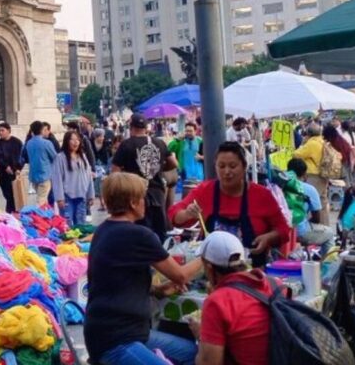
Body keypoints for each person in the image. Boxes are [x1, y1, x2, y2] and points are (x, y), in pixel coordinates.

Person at [85, 172, 202, 365]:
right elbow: (181, 275)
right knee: (195, 353)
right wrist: (207, 255)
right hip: (116, 339)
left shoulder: (103, 230)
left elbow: (115, 281)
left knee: (191, 352)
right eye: (142, 198)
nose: (145, 203)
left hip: (111, 331)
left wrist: (158, 290)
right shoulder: (139, 235)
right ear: (132, 202)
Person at [169, 142, 290, 267]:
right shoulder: (205, 191)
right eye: (221, 166)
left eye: (232, 166)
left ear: (244, 167)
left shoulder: (262, 195)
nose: (226, 171)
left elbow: (283, 230)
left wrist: (268, 238)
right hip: (213, 272)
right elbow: (173, 215)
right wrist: (187, 214)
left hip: (253, 270)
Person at [192, 231, 276, 365]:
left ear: (209, 267)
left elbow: (209, 363)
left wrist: (200, 335)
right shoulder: (273, 284)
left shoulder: (217, 302)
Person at [111, 113, 177, 241]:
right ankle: (159, 257)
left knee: (140, 232)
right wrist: (159, 169)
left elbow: (115, 173)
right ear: (146, 127)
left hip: (135, 194)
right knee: (159, 230)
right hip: (157, 192)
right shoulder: (159, 142)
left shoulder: (126, 145)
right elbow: (174, 163)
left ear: (131, 127)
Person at [287, 158, 334, 258]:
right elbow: (317, 219)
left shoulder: (279, 186)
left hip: (283, 231)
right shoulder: (310, 189)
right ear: (304, 174)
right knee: (329, 234)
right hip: (301, 232)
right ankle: (327, 266)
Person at [51, 131, 94, 226]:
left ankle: (79, 241)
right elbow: (57, 178)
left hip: (81, 196)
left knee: (81, 225)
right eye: (72, 139)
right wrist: (59, 198)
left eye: (77, 140)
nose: (75, 142)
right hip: (67, 197)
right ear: (67, 141)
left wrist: (90, 194)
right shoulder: (60, 158)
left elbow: (88, 176)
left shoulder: (83, 156)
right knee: (67, 225)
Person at [293, 123, 329, 225]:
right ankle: (325, 226)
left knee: (312, 201)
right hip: (323, 174)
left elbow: (296, 154)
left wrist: (303, 143)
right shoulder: (322, 141)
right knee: (322, 202)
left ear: (308, 133)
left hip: (314, 175)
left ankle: (313, 226)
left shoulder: (311, 143)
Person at [24, 121, 58, 206]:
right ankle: (38, 216)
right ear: (41, 130)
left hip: (34, 175)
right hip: (45, 175)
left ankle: (46, 216)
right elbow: (55, 157)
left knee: (43, 199)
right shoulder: (46, 143)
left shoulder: (29, 143)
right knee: (41, 200)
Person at [0, 123, 23, 213]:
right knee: (8, 196)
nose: (0, 133)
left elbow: (22, 157)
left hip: (15, 174)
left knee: (14, 197)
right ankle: (11, 213)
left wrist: (18, 168)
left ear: (9, 131)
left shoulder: (17, 142)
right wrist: (5, 166)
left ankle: (11, 213)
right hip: (4, 174)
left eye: (3, 130)